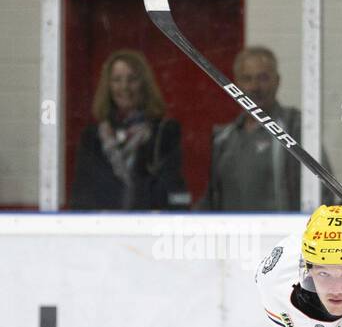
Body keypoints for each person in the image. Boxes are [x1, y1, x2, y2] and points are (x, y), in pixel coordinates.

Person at [200, 46, 327, 211]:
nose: (255, 86)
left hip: (286, 234)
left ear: (277, 81)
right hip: (233, 234)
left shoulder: (296, 128)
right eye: (247, 78)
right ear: (236, 84)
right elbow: (211, 200)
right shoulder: (223, 138)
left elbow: (322, 191)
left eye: (263, 78)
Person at [70, 49, 189, 210]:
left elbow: (172, 188)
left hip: (148, 229)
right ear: (108, 86)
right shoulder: (91, 137)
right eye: (117, 80)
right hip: (103, 229)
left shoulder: (165, 132)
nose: (124, 87)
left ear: (144, 84)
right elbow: (81, 195)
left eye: (132, 79)